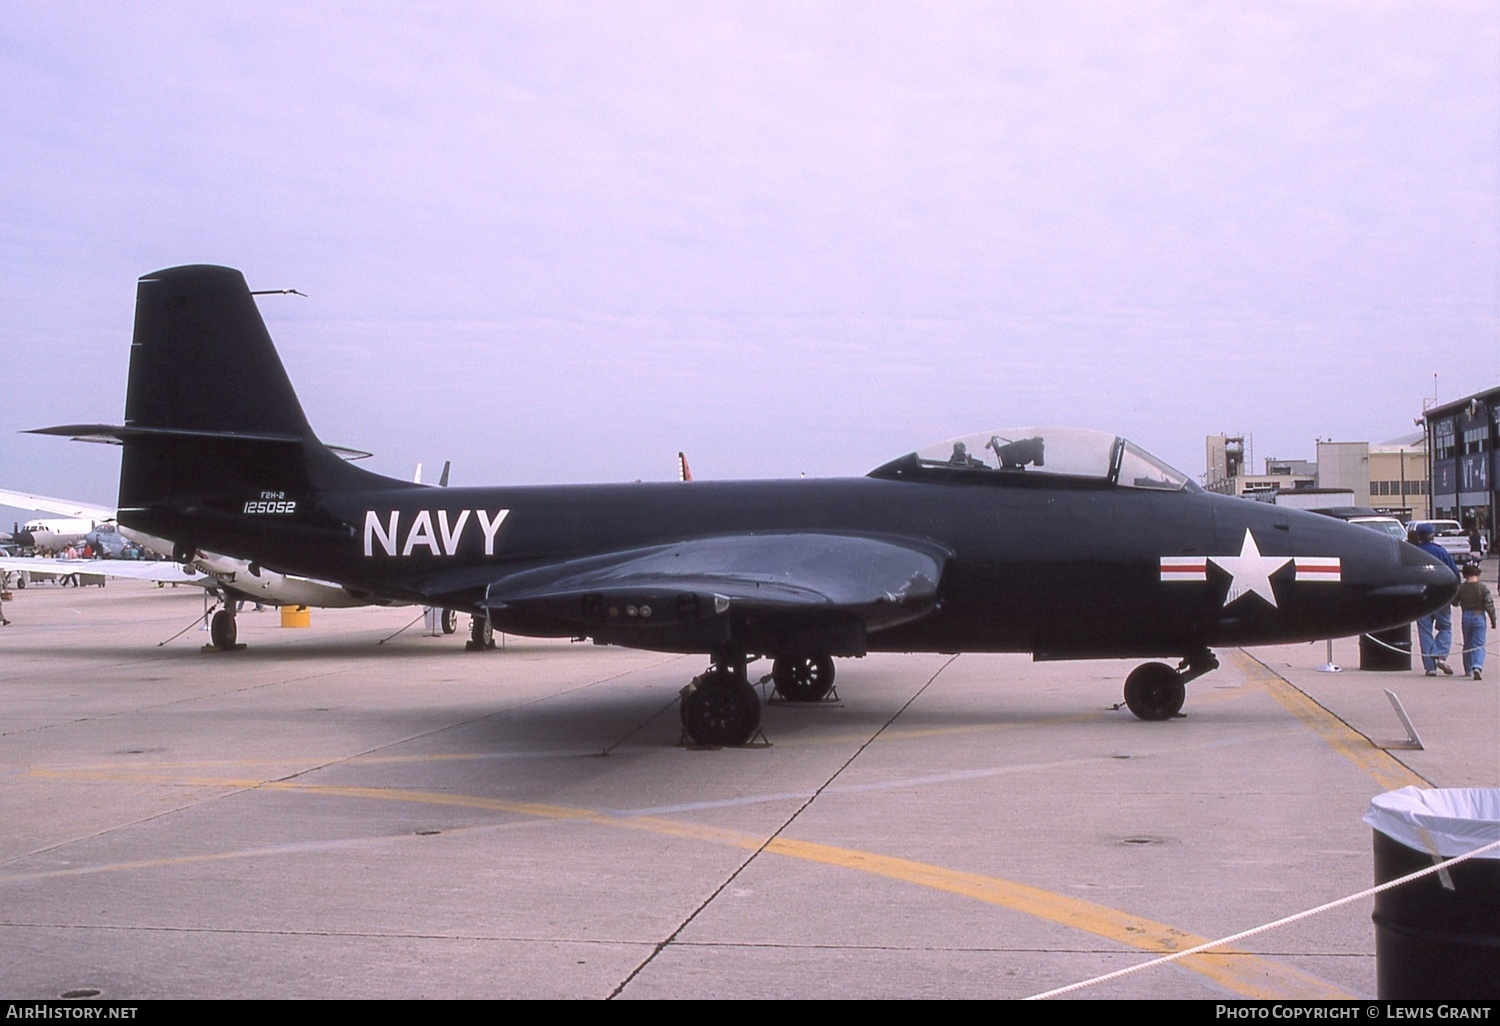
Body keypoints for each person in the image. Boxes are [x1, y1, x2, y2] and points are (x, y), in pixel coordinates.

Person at [1412, 523, 1460, 676]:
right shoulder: (1441, 552)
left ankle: (1430, 668)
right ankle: (1440, 654)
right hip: (1441, 596)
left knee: (1425, 631)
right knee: (1445, 627)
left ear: (1418, 536)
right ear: (1432, 535)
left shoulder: (1414, 553)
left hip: (1421, 597)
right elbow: (1454, 574)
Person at [1453, 562, 1496, 680]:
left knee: (1467, 643)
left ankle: (1468, 669)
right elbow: (1489, 605)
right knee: (1478, 644)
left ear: (1465, 574)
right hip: (1479, 616)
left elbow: (1454, 602)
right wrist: (1493, 620)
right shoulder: (1483, 588)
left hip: (1466, 616)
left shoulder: (1461, 588)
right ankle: (1477, 666)